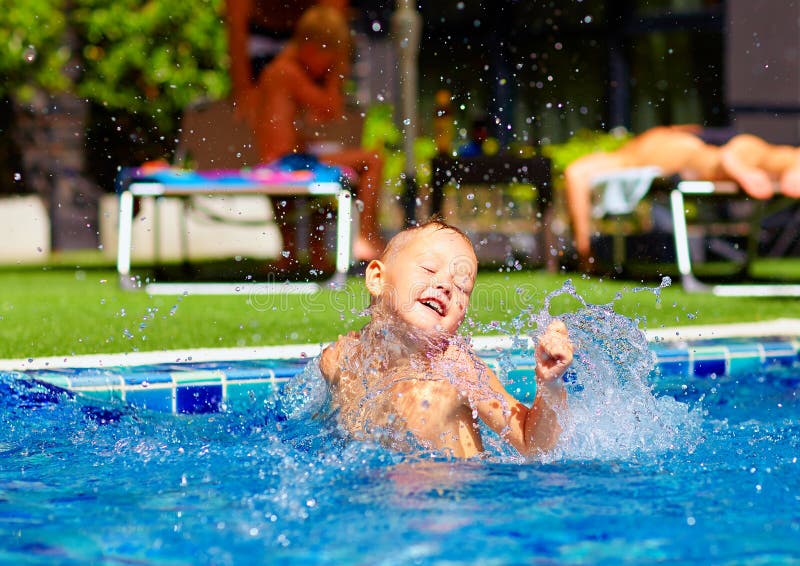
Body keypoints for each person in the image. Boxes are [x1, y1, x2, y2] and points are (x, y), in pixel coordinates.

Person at [318, 220, 575, 459]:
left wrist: (549, 385)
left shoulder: (457, 368)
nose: (445, 285)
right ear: (377, 279)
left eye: (462, 288)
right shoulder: (340, 358)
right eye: (429, 268)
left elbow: (533, 445)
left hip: (453, 496)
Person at [252, 4, 384, 268]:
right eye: (330, 58)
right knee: (374, 159)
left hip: (283, 159)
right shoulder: (287, 73)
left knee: (324, 170)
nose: (329, 67)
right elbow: (331, 109)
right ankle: (365, 237)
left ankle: (305, 254)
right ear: (312, 49)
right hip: (285, 164)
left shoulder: (277, 71)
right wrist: (336, 75)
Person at [564, 126, 800, 269]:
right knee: (740, 154)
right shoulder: (633, 151)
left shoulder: (623, 156)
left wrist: (585, 253)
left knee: (720, 158)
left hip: (696, 155)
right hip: (700, 152)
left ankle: (741, 161)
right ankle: (787, 161)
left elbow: (575, 173)